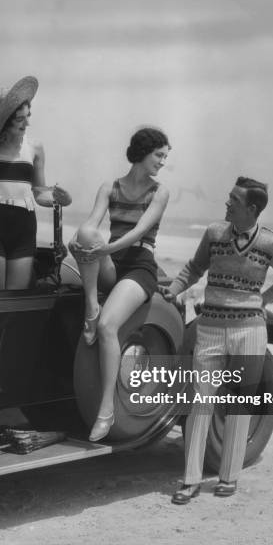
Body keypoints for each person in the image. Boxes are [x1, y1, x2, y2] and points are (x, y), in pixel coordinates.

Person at [160, 176, 273, 502]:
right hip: (210, 327)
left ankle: (229, 477)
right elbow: (194, 268)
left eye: (233, 201)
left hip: (250, 330)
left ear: (252, 209)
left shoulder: (270, 243)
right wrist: (174, 289)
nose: (226, 204)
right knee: (200, 403)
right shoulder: (214, 234)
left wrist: (264, 299)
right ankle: (191, 480)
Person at [69, 127, 171, 442]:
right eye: (159, 155)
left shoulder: (159, 192)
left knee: (107, 328)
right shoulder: (109, 187)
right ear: (143, 151)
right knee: (85, 233)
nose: (163, 162)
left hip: (139, 266)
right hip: (113, 265)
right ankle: (91, 305)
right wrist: (78, 244)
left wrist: (104, 250)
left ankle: (106, 410)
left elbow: (139, 232)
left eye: (165, 157)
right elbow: (92, 224)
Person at [0, 75, 72, 290]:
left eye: (28, 116)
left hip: (25, 228)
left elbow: (40, 194)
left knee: (15, 302)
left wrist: (60, 200)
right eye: (20, 119)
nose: (27, 123)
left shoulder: (35, 148)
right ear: (5, 121)